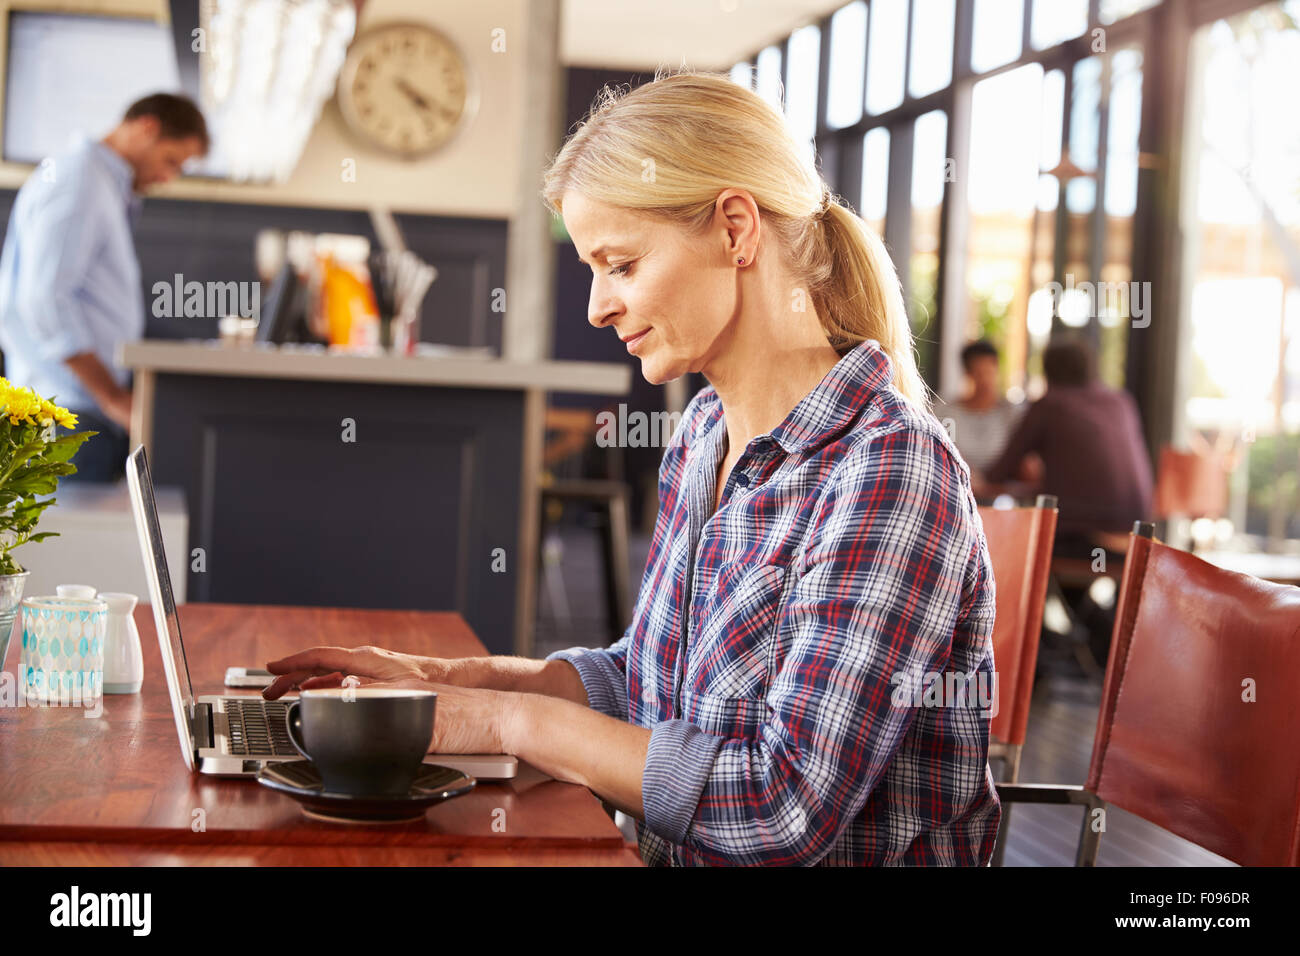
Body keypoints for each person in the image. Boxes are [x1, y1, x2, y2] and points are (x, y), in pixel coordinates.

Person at [262, 71, 1001, 866]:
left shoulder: (889, 468)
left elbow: (782, 808)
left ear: (735, 231)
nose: (597, 306)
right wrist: (451, 680)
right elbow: (650, 683)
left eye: (620, 264)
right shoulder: (704, 434)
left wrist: (503, 723)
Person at [0, 93, 208, 481]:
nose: (169, 178)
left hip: (76, 412)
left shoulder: (102, 185)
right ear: (147, 127)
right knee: (70, 541)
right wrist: (113, 397)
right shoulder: (80, 180)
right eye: (171, 161)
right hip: (64, 417)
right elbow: (44, 301)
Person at [983, 335, 1153, 558]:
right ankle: (1082, 594)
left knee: (1012, 549)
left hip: (1084, 538)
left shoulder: (1049, 405)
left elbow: (999, 472)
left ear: (1048, 369)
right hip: (1138, 538)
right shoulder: (1122, 402)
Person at [940, 339, 1027, 482]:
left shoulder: (1012, 413)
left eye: (989, 372)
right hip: (959, 484)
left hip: (1002, 488)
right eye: (979, 373)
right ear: (968, 373)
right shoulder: (946, 412)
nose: (986, 380)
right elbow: (945, 453)